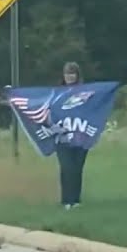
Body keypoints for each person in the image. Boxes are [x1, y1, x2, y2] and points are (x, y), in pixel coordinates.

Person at [54, 62, 88, 210]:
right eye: (67, 73)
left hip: (80, 136)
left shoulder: (85, 93)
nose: (69, 76)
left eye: (72, 73)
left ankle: (76, 200)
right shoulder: (57, 93)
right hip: (62, 137)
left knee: (77, 168)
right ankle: (66, 200)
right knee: (66, 167)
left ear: (77, 75)